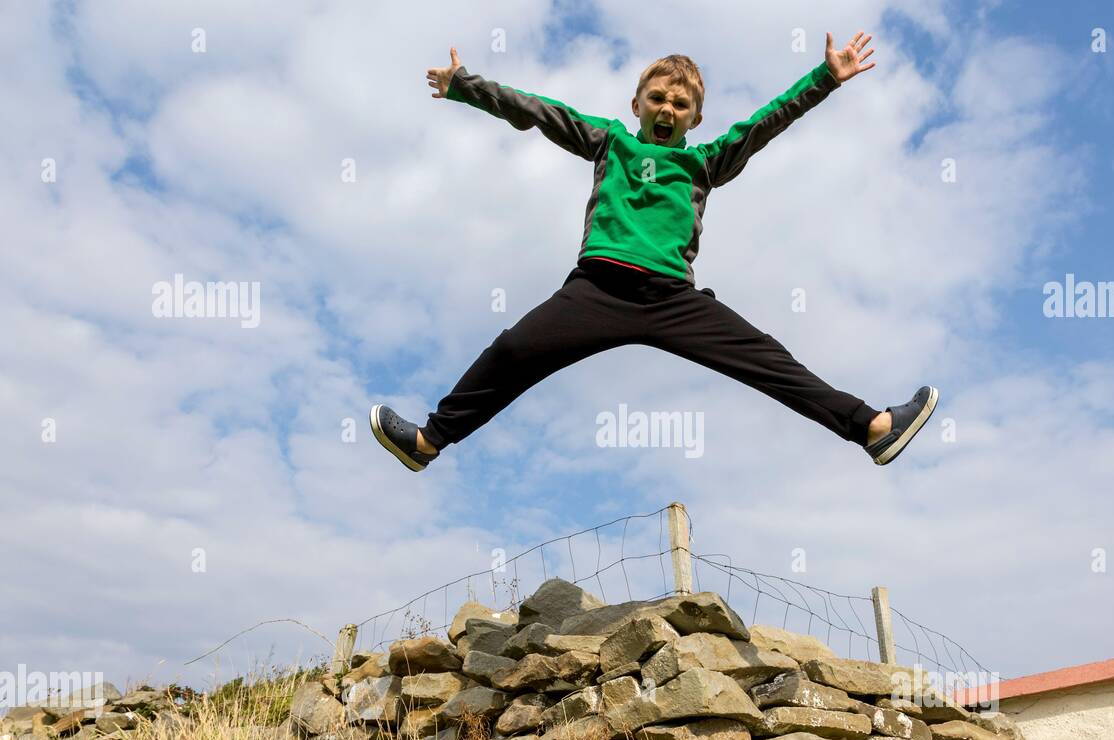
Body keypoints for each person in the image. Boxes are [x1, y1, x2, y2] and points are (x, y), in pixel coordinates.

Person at [371, 31, 937, 473]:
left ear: (696, 118)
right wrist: (466, 85)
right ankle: (427, 441)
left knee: (769, 360)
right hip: (596, 290)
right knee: (513, 349)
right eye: (658, 98)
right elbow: (541, 112)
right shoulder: (609, 141)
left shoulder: (706, 161)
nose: (668, 109)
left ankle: (874, 428)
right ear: (637, 103)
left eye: (681, 103)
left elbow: (766, 122)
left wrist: (824, 79)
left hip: (671, 298)